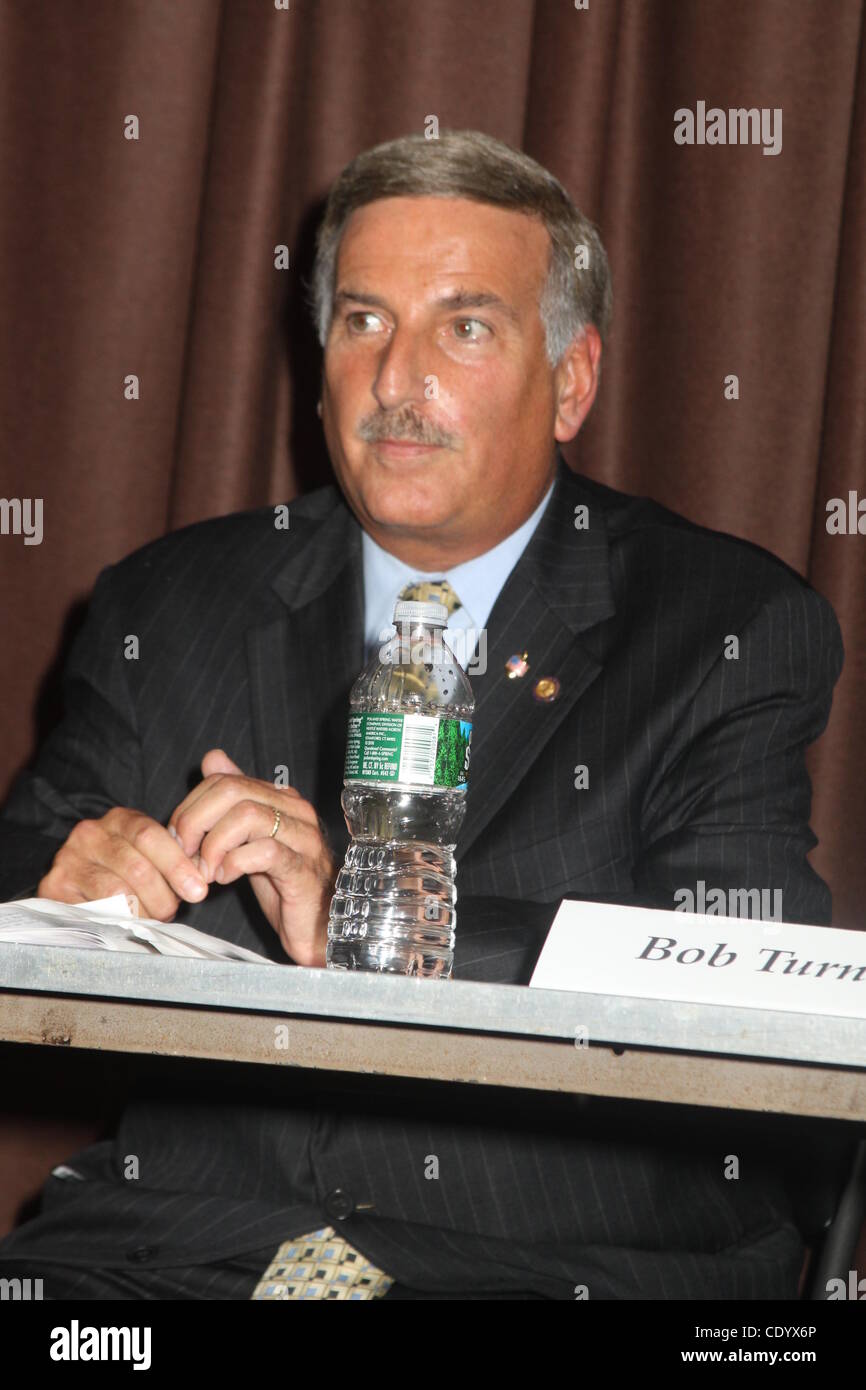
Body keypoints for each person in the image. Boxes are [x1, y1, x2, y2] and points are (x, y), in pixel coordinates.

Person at [0, 130, 844, 1299]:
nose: (397, 380)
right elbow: (21, 879)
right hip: (179, 1249)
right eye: (362, 321)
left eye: (464, 326)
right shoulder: (174, 599)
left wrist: (362, 919)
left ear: (572, 381)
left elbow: (737, 986)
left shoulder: (720, 623)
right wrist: (66, 884)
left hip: (556, 1261)